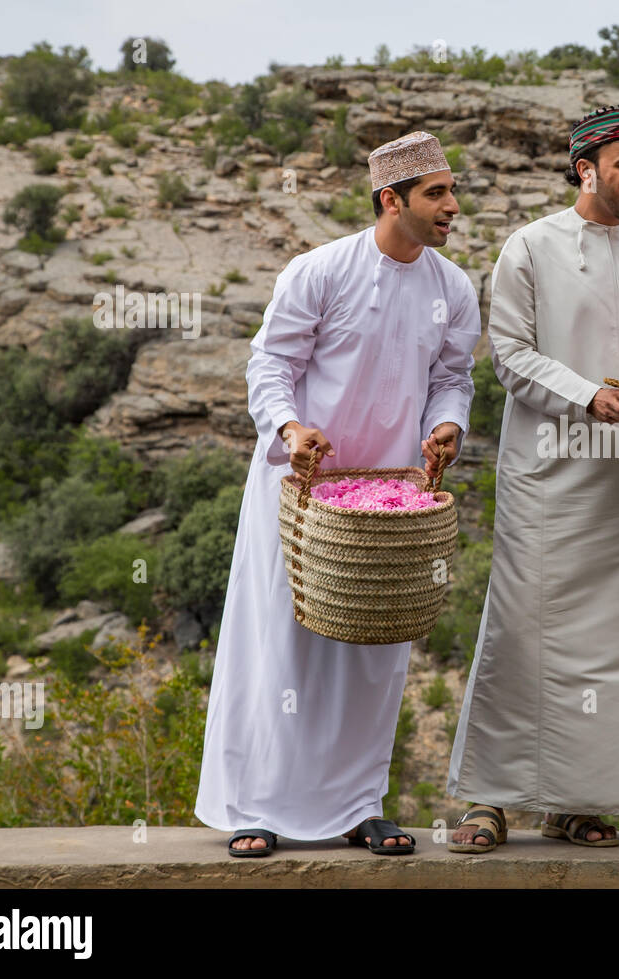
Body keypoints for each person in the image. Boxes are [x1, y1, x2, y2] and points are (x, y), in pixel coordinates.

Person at [195, 131, 480, 857]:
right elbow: (271, 363)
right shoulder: (319, 270)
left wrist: (446, 426)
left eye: (452, 191)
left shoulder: (453, 287)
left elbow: (453, 377)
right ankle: (256, 805)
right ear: (392, 200)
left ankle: (359, 804)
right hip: (300, 488)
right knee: (281, 645)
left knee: (373, 652)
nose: (454, 206)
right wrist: (291, 429)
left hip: (388, 499)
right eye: (437, 193)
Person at [446, 105, 619, 852]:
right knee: (523, 634)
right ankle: (488, 800)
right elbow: (511, 357)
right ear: (585, 166)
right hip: (552, 480)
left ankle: (581, 800)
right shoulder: (530, 247)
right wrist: (588, 393)